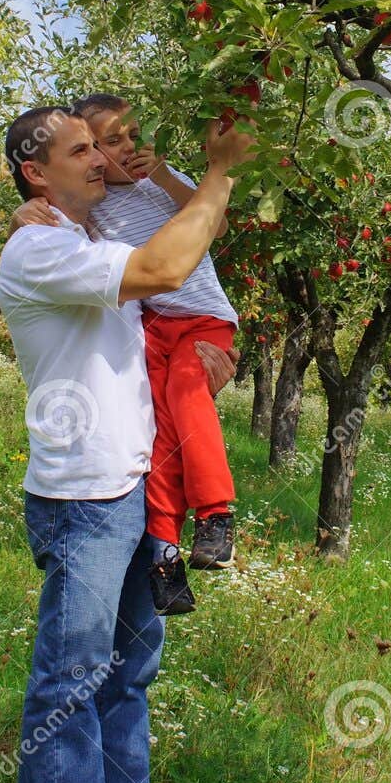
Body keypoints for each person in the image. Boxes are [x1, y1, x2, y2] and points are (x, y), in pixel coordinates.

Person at [0, 103, 250, 783]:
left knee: (127, 678)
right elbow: (167, 269)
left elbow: (168, 305)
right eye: (79, 151)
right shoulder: (39, 248)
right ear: (37, 173)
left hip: (141, 490)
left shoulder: (88, 241)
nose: (99, 160)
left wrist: (211, 364)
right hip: (85, 500)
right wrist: (220, 174)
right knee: (69, 687)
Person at [69, 94, 240, 614]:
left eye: (133, 134)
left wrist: (164, 176)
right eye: (111, 141)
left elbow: (219, 226)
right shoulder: (89, 205)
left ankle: (215, 514)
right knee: (160, 439)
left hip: (202, 321)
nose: (128, 148)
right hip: (150, 327)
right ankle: (165, 556)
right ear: (92, 152)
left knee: (190, 393)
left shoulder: (164, 181)